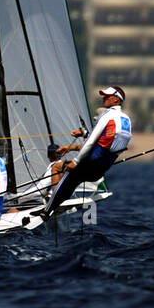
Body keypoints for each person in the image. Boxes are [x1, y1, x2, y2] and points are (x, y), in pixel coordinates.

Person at [42, 86, 132, 217]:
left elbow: (92, 141)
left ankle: (46, 211)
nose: (104, 98)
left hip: (90, 162)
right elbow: (108, 139)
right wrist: (84, 133)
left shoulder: (107, 114)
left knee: (67, 175)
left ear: (116, 100)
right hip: (102, 168)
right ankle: (57, 205)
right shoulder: (126, 120)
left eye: (107, 96)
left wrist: (76, 161)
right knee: (73, 182)